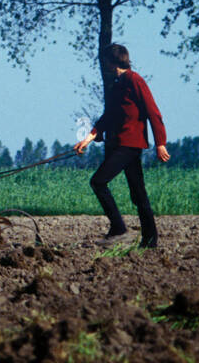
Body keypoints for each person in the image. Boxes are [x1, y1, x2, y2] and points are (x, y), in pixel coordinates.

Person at [73, 44, 171, 248]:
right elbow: (109, 116)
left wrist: (160, 143)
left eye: (105, 60)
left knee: (99, 182)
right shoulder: (117, 84)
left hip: (130, 145)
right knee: (138, 193)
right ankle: (150, 241)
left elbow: (153, 112)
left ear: (112, 61)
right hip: (121, 144)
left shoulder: (135, 80)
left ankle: (119, 228)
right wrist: (87, 139)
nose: (103, 63)